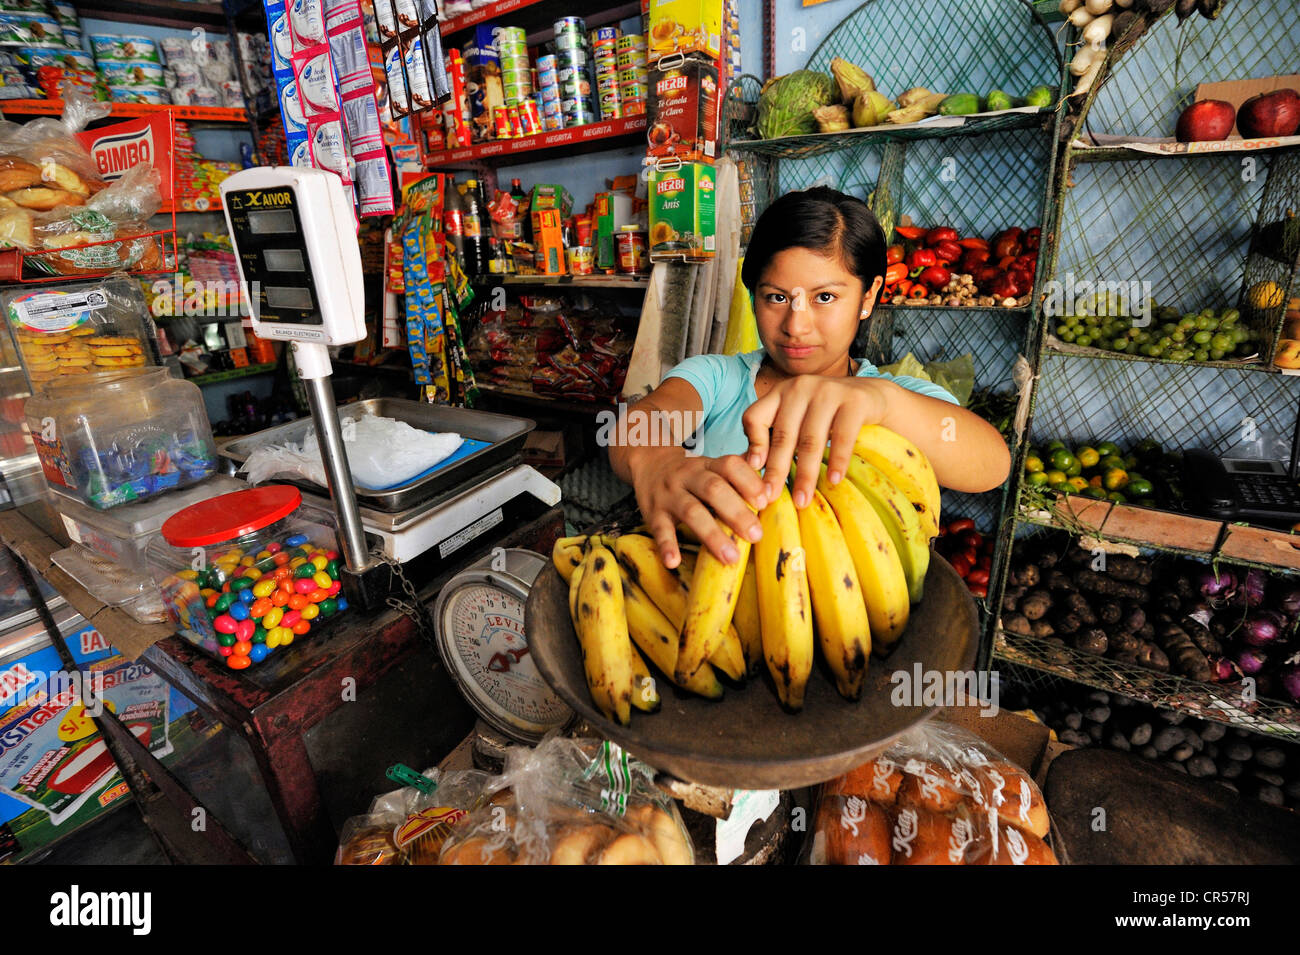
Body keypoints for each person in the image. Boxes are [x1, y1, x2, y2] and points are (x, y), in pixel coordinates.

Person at [609, 186, 1011, 569]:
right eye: (776, 297)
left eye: (825, 298)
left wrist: (883, 400)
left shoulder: (897, 399)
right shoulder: (717, 379)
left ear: (868, 297)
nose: (796, 326)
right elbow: (642, 422)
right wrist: (658, 462)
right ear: (753, 296)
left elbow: (992, 462)